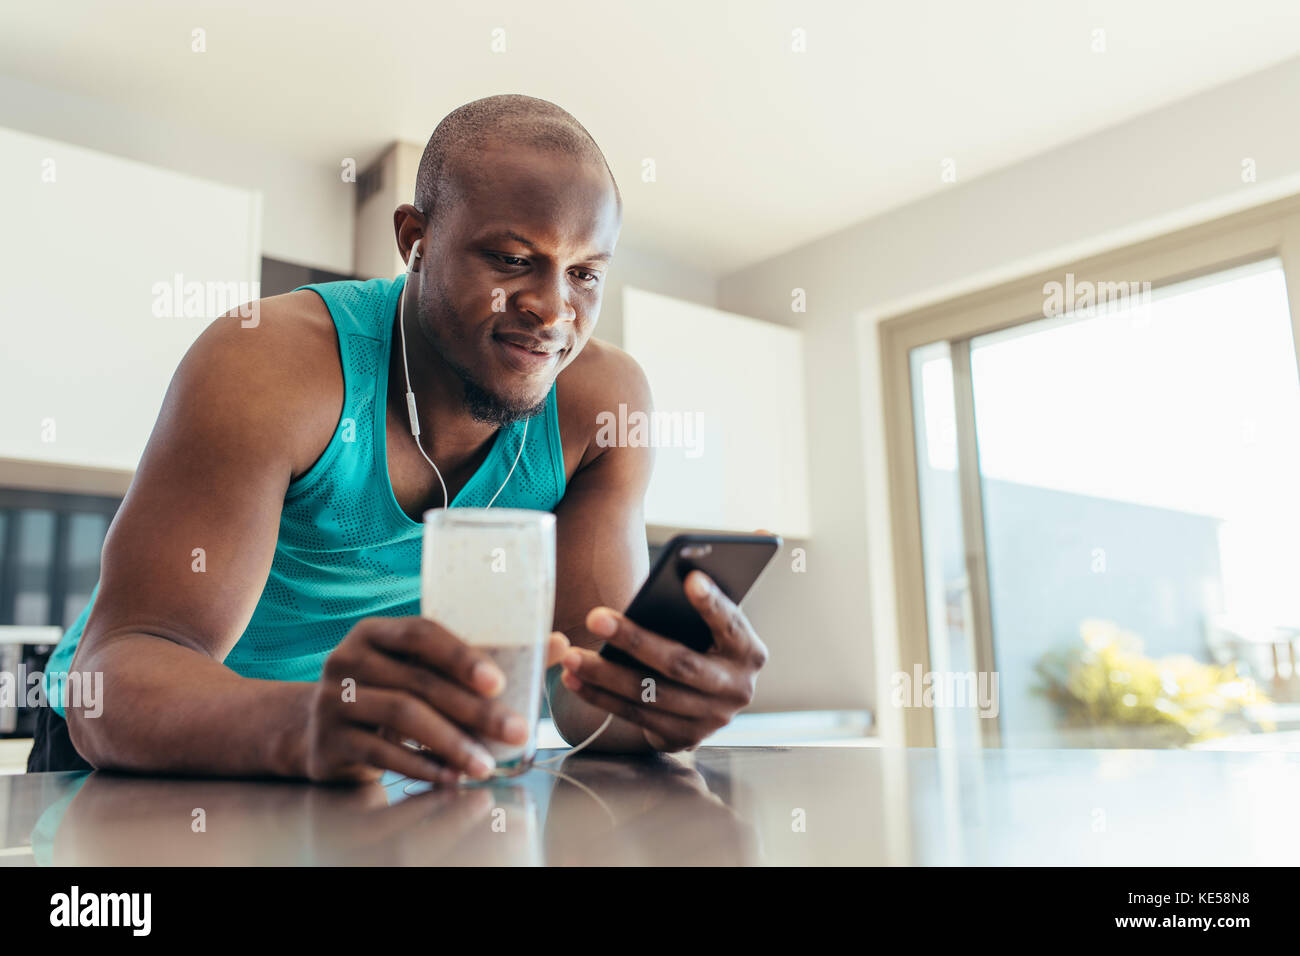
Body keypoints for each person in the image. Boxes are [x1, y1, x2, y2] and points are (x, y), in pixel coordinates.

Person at [29, 94, 769, 782]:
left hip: (350, 750)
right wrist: (308, 719)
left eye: (584, 274)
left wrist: (659, 700)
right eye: (513, 260)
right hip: (145, 749)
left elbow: (583, 692)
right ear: (415, 239)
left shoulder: (601, 408)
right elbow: (118, 676)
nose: (552, 310)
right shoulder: (265, 364)